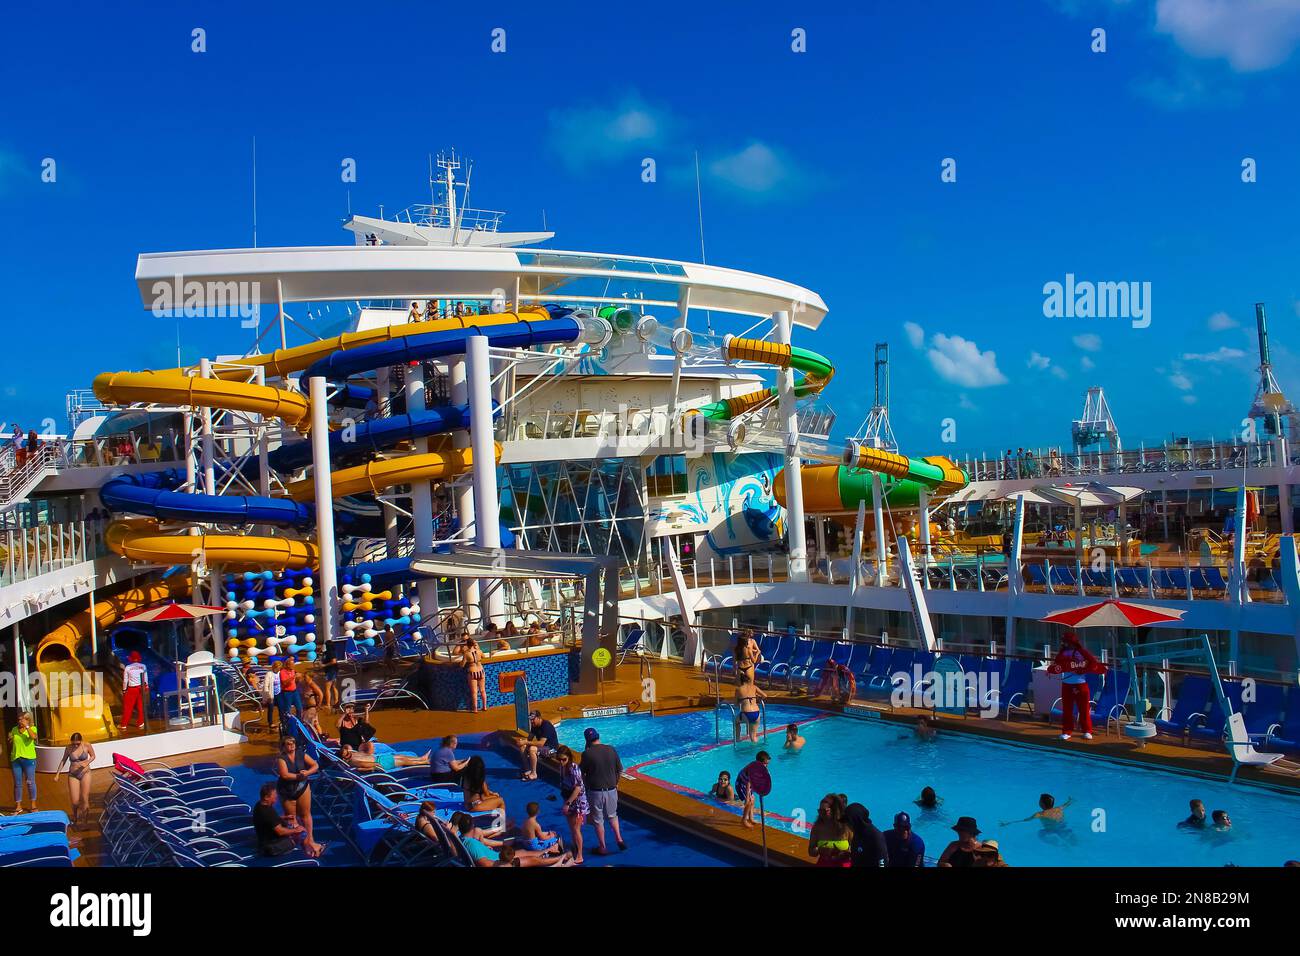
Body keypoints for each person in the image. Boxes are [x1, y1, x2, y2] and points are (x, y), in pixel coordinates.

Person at [450, 811, 571, 867]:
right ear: (472, 826)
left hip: (498, 857)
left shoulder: (463, 840)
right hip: (502, 862)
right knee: (534, 860)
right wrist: (507, 864)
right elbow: (486, 864)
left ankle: (549, 850)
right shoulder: (472, 845)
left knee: (523, 852)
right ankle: (561, 858)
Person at [1047, 629, 1106, 740]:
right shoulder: (1061, 654)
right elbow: (1057, 666)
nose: (1063, 644)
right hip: (1066, 684)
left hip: (1080, 684)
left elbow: (1093, 664)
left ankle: (1087, 730)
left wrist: (1082, 670)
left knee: (1084, 709)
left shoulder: (1083, 652)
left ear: (1071, 642)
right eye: (1063, 642)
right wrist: (1051, 670)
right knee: (1067, 709)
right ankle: (1067, 731)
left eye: (1065, 641)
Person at [581, 727, 627, 854]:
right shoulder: (611, 749)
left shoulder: (587, 754)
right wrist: (616, 783)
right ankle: (619, 838)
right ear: (598, 736)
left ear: (587, 740)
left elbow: (582, 774)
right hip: (612, 789)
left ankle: (602, 847)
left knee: (598, 820)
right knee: (613, 816)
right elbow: (620, 770)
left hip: (595, 791)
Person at [275, 736, 323, 857]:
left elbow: (315, 765)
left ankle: (310, 839)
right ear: (284, 746)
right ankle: (300, 842)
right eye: (288, 744)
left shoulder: (301, 754)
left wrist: (307, 773)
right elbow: (284, 775)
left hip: (302, 788)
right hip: (287, 790)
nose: (291, 746)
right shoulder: (281, 759)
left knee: (306, 814)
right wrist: (299, 776)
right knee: (292, 818)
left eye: (293, 744)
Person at [253, 781, 321, 857]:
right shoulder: (267, 812)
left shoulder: (259, 805)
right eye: (274, 795)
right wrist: (296, 830)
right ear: (266, 797)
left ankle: (308, 848)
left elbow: (270, 820)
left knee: (295, 826)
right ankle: (309, 853)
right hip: (271, 846)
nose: (276, 797)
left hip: (266, 837)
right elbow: (280, 832)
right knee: (302, 833)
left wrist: (285, 817)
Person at [53, 732, 95, 826]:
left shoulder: (87, 745)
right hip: (73, 774)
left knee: (85, 798)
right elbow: (63, 760)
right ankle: (75, 816)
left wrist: (87, 762)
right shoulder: (68, 748)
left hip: (85, 773)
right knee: (75, 801)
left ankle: (85, 822)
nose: (76, 745)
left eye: (78, 743)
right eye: (74, 743)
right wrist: (57, 774)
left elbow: (93, 756)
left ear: (81, 741)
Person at [557, 745, 587, 864]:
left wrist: (568, 803)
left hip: (577, 801)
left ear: (569, 758)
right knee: (571, 827)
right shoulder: (562, 767)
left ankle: (580, 855)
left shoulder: (574, 769)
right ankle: (575, 847)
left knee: (576, 828)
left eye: (564, 759)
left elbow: (578, 788)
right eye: (559, 759)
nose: (561, 762)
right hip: (568, 798)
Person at [807, 792, 853, 867]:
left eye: (824, 811)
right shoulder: (817, 827)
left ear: (835, 811)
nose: (821, 814)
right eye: (819, 811)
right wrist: (819, 850)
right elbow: (811, 852)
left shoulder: (846, 826)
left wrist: (845, 853)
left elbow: (856, 849)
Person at [8, 711, 38, 812]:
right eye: (19, 719)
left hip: (29, 760)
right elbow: (12, 740)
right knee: (17, 783)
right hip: (16, 759)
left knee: (30, 782)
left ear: (28, 720)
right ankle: (18, 806)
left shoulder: (33, 728)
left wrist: (27, 727)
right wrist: (10, 738)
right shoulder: (14, 729)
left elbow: (33, 737)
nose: (20, 721)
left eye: (22, 719)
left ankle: (33, 805)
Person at [516, 709, 559, 781]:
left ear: (539, 718)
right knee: (523, 746)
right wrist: (522, 742)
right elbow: (529, 739)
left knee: (532, 749)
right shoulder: (534, 726)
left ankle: (534, 773)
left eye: (533, 719)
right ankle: (528, 769)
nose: (531, 721)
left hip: (552, 749)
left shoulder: (546, 725)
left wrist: (526, 742)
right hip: (543, 748)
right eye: (531, 720)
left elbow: (541, 743)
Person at [845, 803, 889, 868]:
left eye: (849, 821)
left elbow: (882, 862)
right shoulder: (857, 834)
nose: (847, 824)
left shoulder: (876, 836)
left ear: (857, 820)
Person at [736, 751, 770, 829]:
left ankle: (751, 818)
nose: (766, 766)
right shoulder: (753, 769)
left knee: (753, 800)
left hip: (747, 784)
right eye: (765, 764)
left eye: (767, 764)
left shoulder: (758, 767)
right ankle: (744, 820)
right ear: (759, 762)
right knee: (748, 802)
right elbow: (748, 782)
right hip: (742, 784)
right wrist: (747, 797)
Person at [339, 744, 430, 772]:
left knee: (401, 756)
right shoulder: (354, 761)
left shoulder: (351, 757)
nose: (349, 753)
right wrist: (377, 767)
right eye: (347, 754)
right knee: (403, 761)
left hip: (380, 758)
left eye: (348, 752)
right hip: (381, 763)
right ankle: (423, 762)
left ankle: (421, 759)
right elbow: (367, 765)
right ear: (344, 759)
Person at [120, 650, 149, 730]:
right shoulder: (143, 666)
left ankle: (124, 725)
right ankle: (140, 723)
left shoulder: (128, 667)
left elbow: (125, 680)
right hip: (141, 688)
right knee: (141, 707)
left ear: (131, 659)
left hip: (131, 689)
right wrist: (147, 687)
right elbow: (146, 678)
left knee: (128, 707)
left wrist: (124, 690)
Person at [734, 675, 767, 743]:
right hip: (756, 713)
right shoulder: (754, 687)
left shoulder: (738, 689)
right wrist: (758, 699)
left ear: (741, 681)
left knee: (736, 722)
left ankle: (737, 739)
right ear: (748, 681)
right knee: (753, 737)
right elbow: (765, 695)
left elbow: (736, 704)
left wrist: (741, 701)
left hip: (746, 713)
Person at [460, 634, 487, 713]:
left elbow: (462, 665)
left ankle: (475, 709)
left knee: (474, 692)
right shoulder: (479, 651)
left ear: (467, 645)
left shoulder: (466, 653)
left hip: (472, 671)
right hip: (481, 671)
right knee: (483, 690)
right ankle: (484, 706)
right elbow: (484, 657)